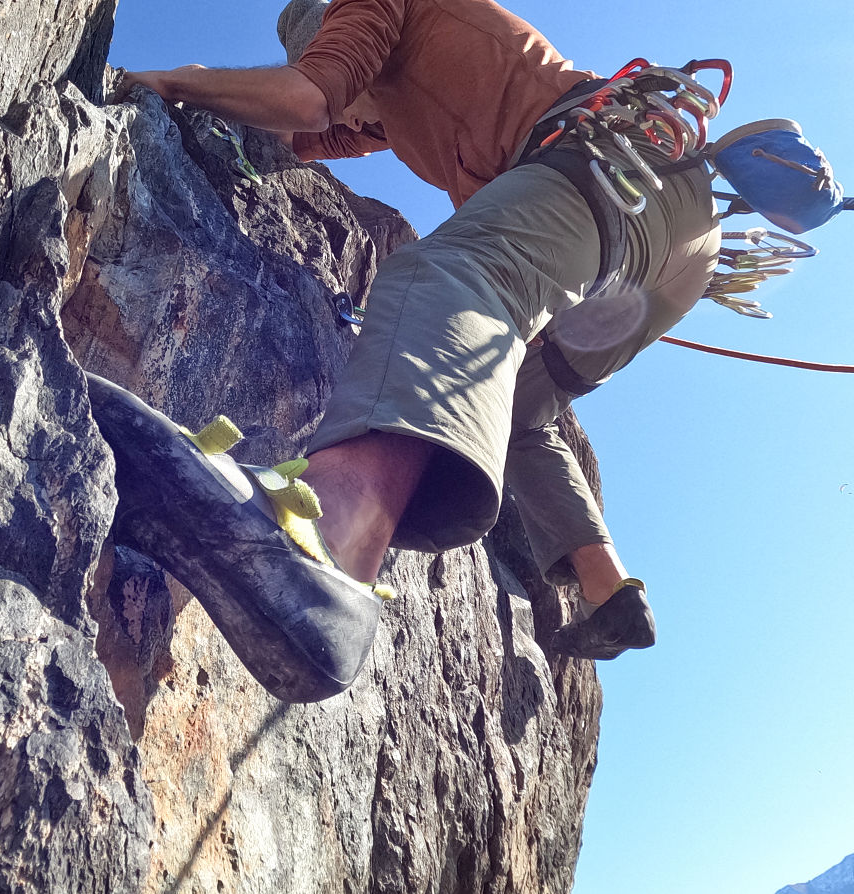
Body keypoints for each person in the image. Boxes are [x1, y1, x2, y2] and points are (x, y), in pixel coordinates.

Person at [90, 0, 721, 702]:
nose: (354, 115)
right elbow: (308, 130)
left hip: (614, 166)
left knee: (447, 275)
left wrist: (172, 82)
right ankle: (608, 588)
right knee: (518, 412)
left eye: (337, 56)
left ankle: (325, 540)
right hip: (664, 259)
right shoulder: (383, 114)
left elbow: (307, 98)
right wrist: (237, 100)